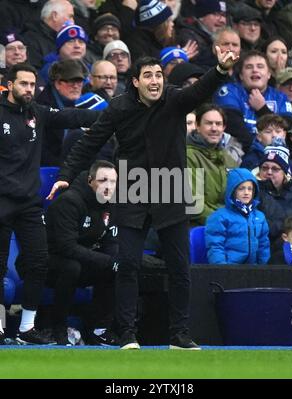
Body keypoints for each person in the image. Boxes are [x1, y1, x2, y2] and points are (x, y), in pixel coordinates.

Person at [48, 47, 239, 350]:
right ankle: (127, 334)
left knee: (179, 266)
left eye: (159, 75)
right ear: (135, 82)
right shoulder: (119, 107)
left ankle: (179, 334)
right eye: (148, 75)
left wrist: (219, 70)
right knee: (128, 265)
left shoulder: (176, 99)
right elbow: (90, 142)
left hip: (169, 188)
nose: (155, 80)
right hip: (133, 189)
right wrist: (64, 175)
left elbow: (200, 90)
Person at [0, 63, 98, 344]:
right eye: (23, 84)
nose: (29, 89)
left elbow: (71, 116)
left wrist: (112, 114)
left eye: (32, 85)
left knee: (39, 262)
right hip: (1, 201)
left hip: (29, 203)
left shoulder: (38, 113)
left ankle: (26, 328)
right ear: (9, 85)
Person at [45, 160, 119, 345]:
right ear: (89, 181)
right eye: (103, 180)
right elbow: (66, 247)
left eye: (113, 182)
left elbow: (111, 242)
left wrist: (116, 262)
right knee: (71, 267)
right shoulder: (69, 202)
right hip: (45, 263)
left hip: (80, 260)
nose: (108, 187)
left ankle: (99, 329)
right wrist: (107, 260)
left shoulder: (109, 205)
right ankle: (58, 329)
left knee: (117, 268)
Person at [214, 50, 292, 152]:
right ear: (241, 75)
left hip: (275, 155)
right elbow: (235, 129)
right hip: (238, 153)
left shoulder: (280, 97)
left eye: (260, 66)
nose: (255, 70)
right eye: (249, 67)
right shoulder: (229, 92)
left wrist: (262, 109)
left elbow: (287, 130)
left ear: (269, 74)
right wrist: (259, 151)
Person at [205, 168, 270, 265]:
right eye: (241, 188)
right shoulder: (219, 216)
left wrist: (263, 269)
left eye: (250, 188)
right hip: (229, 271)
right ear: (232, 190)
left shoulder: (259, 217)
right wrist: (222, 271)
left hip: (254, 271)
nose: (246, 192)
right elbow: (215, 247)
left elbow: (263, 245)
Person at [186, 103, 238, 226]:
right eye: (209, 123)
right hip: (197, 226)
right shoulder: (189, 156)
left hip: (226, 223)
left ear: (224, 128)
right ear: (197, 126)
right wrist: (224, 221)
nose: (214, 128)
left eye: (218, 124)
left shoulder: (227, 157)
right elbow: (193, 205)